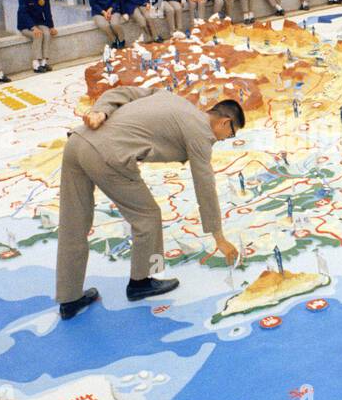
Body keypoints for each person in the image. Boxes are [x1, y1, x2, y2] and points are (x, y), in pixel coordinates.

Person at [56, 88, 243, 315]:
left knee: (73, 224)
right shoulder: (202, 132)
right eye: (231, 134)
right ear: (225, 122)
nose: (226, 139)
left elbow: (124, 92)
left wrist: (101, 111)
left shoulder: (169, 97)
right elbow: (204, 184)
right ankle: (143, 281)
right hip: (108, 155)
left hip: (77, 142)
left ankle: (69, 298)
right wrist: (218, 236)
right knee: (148, 217)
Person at [17, 0, 57, 72]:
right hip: (26, 25)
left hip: (40, 22)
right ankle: (35, 64)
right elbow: (23, 13)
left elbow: (47, 11)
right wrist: (33, 27)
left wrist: (51, 26)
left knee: (47, 33)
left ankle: (44, 62)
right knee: (38, 35)